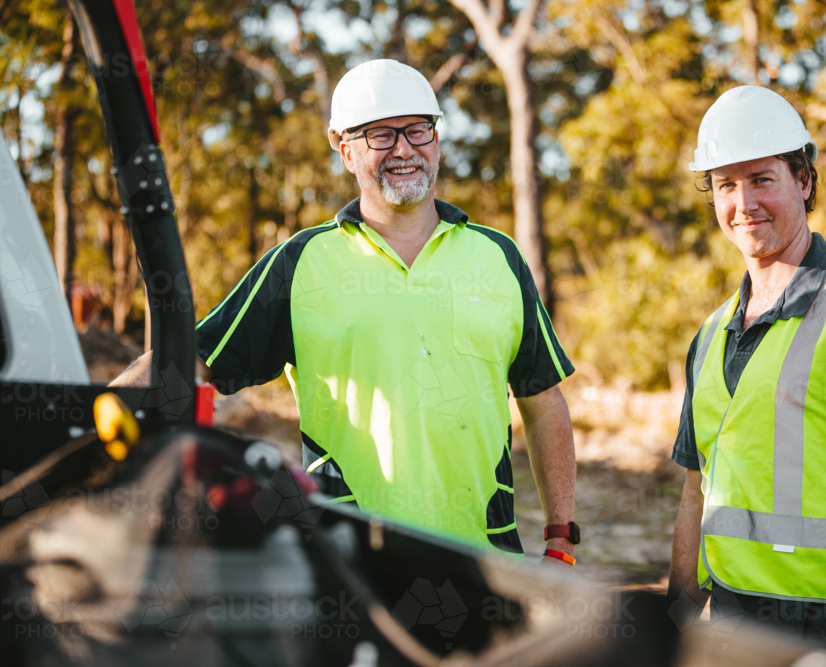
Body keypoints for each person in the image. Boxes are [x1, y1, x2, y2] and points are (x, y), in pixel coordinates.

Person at [114, 60, 579, 565]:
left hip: (487, 553)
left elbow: (543, 399)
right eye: (380, 134)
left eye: (418, 129)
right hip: (348, 559)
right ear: (346, 150)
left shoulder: (499, 257)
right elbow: (194, 358)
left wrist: (561, 537)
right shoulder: (300, 262)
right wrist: (90, 415)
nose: (404, 148)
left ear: (437, 139)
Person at [665, 85, 826, 663]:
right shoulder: (711, 332)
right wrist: (674, 620)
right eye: (725, 185)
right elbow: (696, 491)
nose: (744, 203)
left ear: (804, 181)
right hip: (732, 617)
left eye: (762, 179)